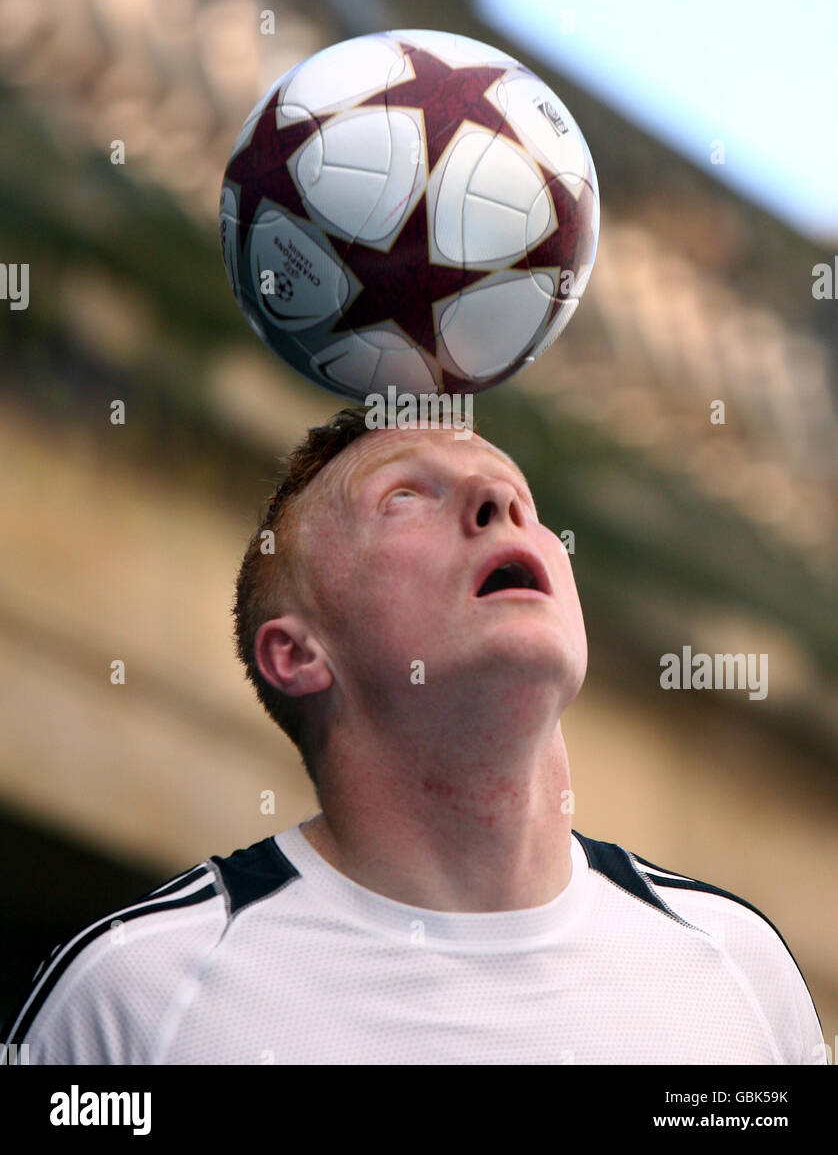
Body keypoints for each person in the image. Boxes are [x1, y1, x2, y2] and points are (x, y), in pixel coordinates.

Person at [1, 406, 826, 1064]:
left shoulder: (738, 970)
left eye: (520, 499)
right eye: (404, 497)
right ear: (297, 653)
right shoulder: (136, 998)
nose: (499, 505)